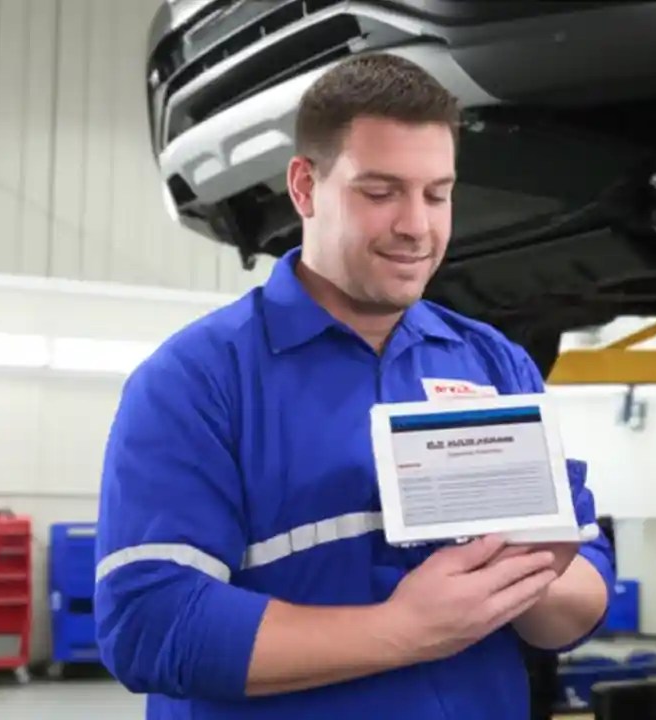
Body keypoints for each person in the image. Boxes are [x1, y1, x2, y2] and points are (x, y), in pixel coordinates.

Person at [92, 52, 616, 720]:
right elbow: (149, 623)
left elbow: (582, 590)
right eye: (380, 192)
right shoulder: (197, 380)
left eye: (437, 194)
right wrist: (403, 631)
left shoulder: (494, 364)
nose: (416, 226)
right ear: (305, 188)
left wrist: (522, 581)